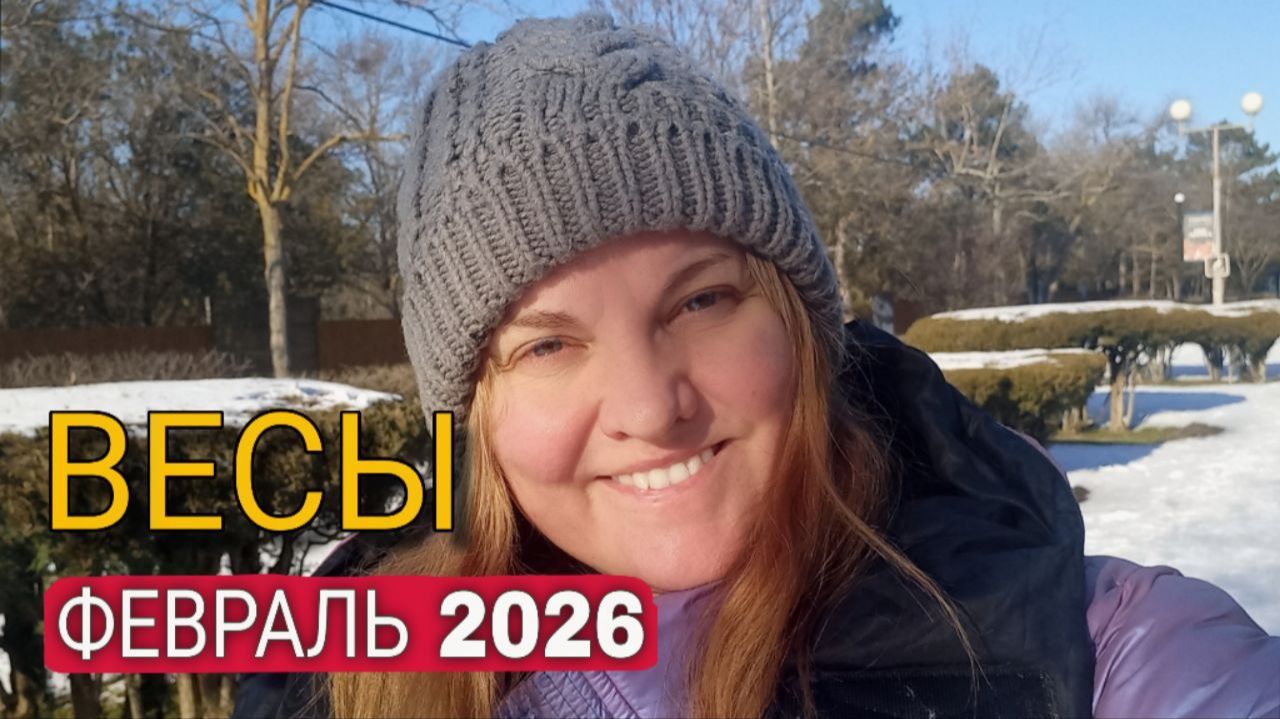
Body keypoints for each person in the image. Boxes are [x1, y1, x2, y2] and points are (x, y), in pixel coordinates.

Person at [233, 13, 1280, 719]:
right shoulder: (341, 673)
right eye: (547, 344)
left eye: (701, 301)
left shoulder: (1103, 645)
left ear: (798, 322)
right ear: (476, 412)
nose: (651, 405)